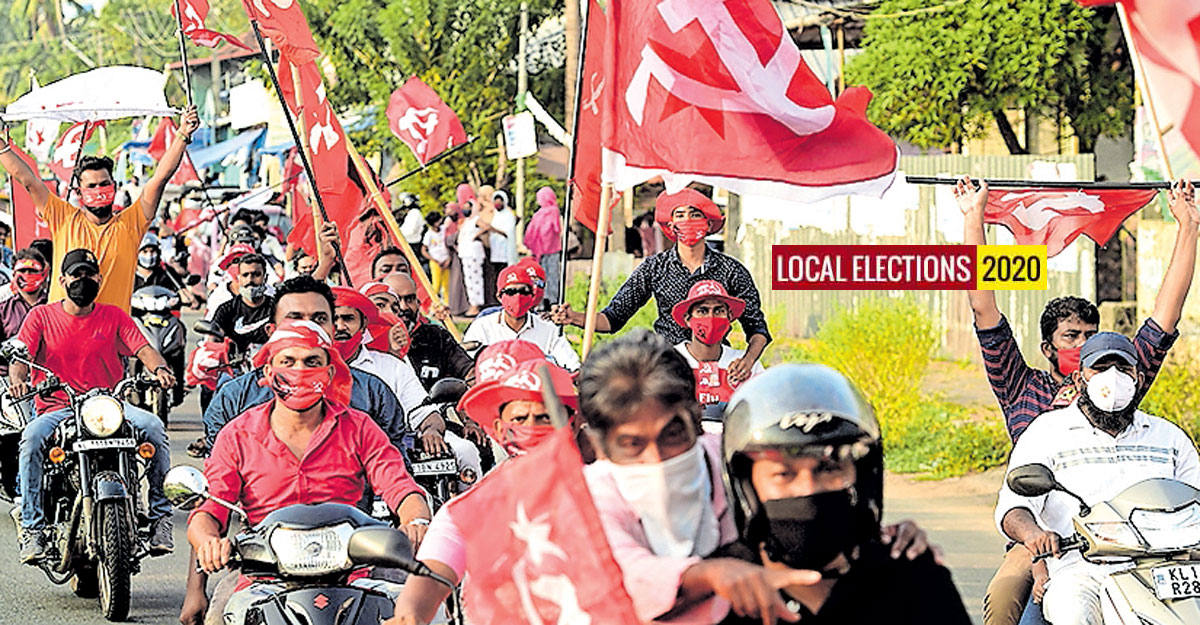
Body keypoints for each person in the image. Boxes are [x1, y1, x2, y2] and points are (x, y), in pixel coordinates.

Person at [955, 176, 1198, 625]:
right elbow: (983, 311)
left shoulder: (1129, 392)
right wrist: (974, 218)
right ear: (1050, 348)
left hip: (1142, 549)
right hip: (1054, 542)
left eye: (1091, 338)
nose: (1107, 375)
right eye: (1073, 338)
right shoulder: (1023, 390)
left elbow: (1166, 314)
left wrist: (1188, 225)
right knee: (1009, 601)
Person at [577, 330, 934, 624]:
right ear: (598, 445)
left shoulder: (737, 459)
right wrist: (712, 574)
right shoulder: (581, 498)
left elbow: (811, 501)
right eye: (631, 445)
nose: (656, 459)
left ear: (697, 417)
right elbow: (622, 572)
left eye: (673, 435)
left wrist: (878, 537)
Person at [182, 319, 433, 625]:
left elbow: (400, 486)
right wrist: (209, 542)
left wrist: (416, 521)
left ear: (330, 372)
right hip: (263, 579)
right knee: (218, 619)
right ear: (268, 372)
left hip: (355, 573)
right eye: (288, 361)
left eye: (312, 361)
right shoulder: (237, 435)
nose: (299, 370)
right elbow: (211, 508)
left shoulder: (360, 427)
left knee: (427, 612)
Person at [715, 364, 970, 624]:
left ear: (860, 477)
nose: (808, 489)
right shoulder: (718, 592)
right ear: (748, 488)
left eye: (828, 469)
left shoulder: (911, 579)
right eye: (784, 474)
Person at [995, 332, 1200, 625]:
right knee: (1074, 612)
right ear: (1079, 379)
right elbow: (1013, 507)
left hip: (1163, 572)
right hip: (1082, 570)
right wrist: (1033, 534)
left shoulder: (1170, 438)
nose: (1113, 378)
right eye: (1100, 369)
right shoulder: (1047, 432)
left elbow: (1195, 498)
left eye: (1124, 369)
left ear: (1139, 379)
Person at [386, 344, 577, 625]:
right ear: (498, 426)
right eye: (520, 418)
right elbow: (425, 585)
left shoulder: (608, 485)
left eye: (546, 415)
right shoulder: (467, 511)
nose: (532, 428)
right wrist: (410, 615)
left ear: (571, 419)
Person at [11, 248, 176, 563]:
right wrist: (19, 379)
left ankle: (160, 519)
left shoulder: (113, 315)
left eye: (89, 275)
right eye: (76, 275)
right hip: (58, 408)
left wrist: (161, 371)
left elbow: (143, 349)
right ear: (62, 280)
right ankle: (33, 527)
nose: (82, 281)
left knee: (154, 427)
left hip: (108, 407)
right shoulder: (41, 316)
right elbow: (20, 357)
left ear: (99, 279)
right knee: (31, 439)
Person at [552, 188, 770, 384]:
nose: (688, 220)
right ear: (671, 225)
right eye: (681, 215)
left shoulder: (731, 270)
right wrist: (575, 317)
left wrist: (748, 361)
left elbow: (757, 328)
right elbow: (613, 317)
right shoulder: (654, 268)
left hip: (716, 368)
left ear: (708, 223)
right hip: (666, 367)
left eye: (695, 214)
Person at [0, 107, 200, 311]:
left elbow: (159, 180)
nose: (99, 191)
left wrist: (183, 134)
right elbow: (28, 181)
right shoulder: (63, 218)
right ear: (79, 192)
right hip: (63, 333)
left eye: (104, 184)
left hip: (110, 335)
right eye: (92, 186)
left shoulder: (132, 223)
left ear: (114, 186)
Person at [201, 276, 414, 455]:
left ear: (332, 328)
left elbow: (394, 469)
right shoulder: (234, 398)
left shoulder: (372, 393)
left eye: (318, 319)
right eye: (295, 319)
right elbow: (220, 479)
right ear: (271, 330)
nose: (307, 328)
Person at [463, 260, 581, 370]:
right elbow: (466, 367)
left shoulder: (549, 330)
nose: (518, 297)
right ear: (499, 297)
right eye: (511, 292)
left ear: (531, 296)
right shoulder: (482, 327)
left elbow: (571, 365)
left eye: (523, 291)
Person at [671, 280, 764, 413]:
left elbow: (766, 410)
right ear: (688, 319)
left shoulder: (747, 366)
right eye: (702, 311)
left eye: (719, 311)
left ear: (729, 317)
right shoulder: (671, 361)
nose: (711, 318)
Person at [383, 272, 474, 390]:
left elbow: (468, 371)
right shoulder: (369, 343)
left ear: (418, 303)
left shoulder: (437, 337)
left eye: (410, 299)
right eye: (396, 300)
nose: (404, 307)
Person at [211, 254, 274, 359]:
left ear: (265, 278)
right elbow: (212, 341)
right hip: (235, 368)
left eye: (256, 274)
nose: (250, 280)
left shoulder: (277, 307)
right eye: (245, 275)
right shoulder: (226, 310)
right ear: (239, 279)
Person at [523, 186, 563, 307]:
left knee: (539, 276)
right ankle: (553, 302)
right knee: (552, 276)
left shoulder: (538, 214)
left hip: (539, 251)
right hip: (552, 249)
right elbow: (557, 228)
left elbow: (531, 232)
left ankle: (540, 301)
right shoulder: (554, 211)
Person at [134, 232, 196, 309]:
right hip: (135, 317)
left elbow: (182, 291)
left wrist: (187, 298)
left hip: (162, 317)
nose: (149, 255)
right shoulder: (130, 274)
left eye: (152, 251)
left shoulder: (166, 272)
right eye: (145, 252)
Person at [457, 185, 487, 317]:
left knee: (475, 279)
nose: (466, 209)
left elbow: (487, 227)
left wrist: (476, 235)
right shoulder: (466, 221)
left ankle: (476, 305)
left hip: (474, 252)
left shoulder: (476, 219)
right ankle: (472, 304)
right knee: (468, 279)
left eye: (468, 207)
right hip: (465, 253)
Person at [421, 212, 451, 303]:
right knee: (436, 284)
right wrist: (433, 259)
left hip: (446, 260)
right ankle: (434, 305)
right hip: (435, 262)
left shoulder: (444, 230)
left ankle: (447, 304)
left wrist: (448, 258)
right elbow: (423, 250)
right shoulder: (429, 234)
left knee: (447, 284)